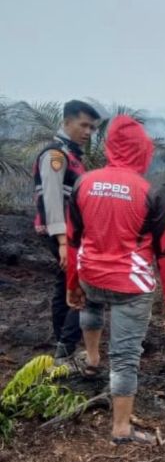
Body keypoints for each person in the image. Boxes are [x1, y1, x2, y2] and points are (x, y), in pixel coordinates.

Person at [66, 115, 165, 446]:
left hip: (90, 275)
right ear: (141, 150)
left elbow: (75, 240)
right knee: (126, 356)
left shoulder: (83, 183)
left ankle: (90, 359)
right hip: (130, 288)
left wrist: (72, 282)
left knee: (91, 306)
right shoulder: (151, 193)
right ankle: (120, 428)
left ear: (110, 147)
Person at [32, 99, 100, 361]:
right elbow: (51, 200)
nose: (87, 132)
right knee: (82, 285)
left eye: (92, 128)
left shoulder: (71, 156)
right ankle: (66, 349)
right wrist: (63, 241)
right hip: (64, 235)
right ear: (66, 122)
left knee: (64, 286)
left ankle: (62, 343)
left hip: (71, 235)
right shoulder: (56, 156)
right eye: (83, 125)